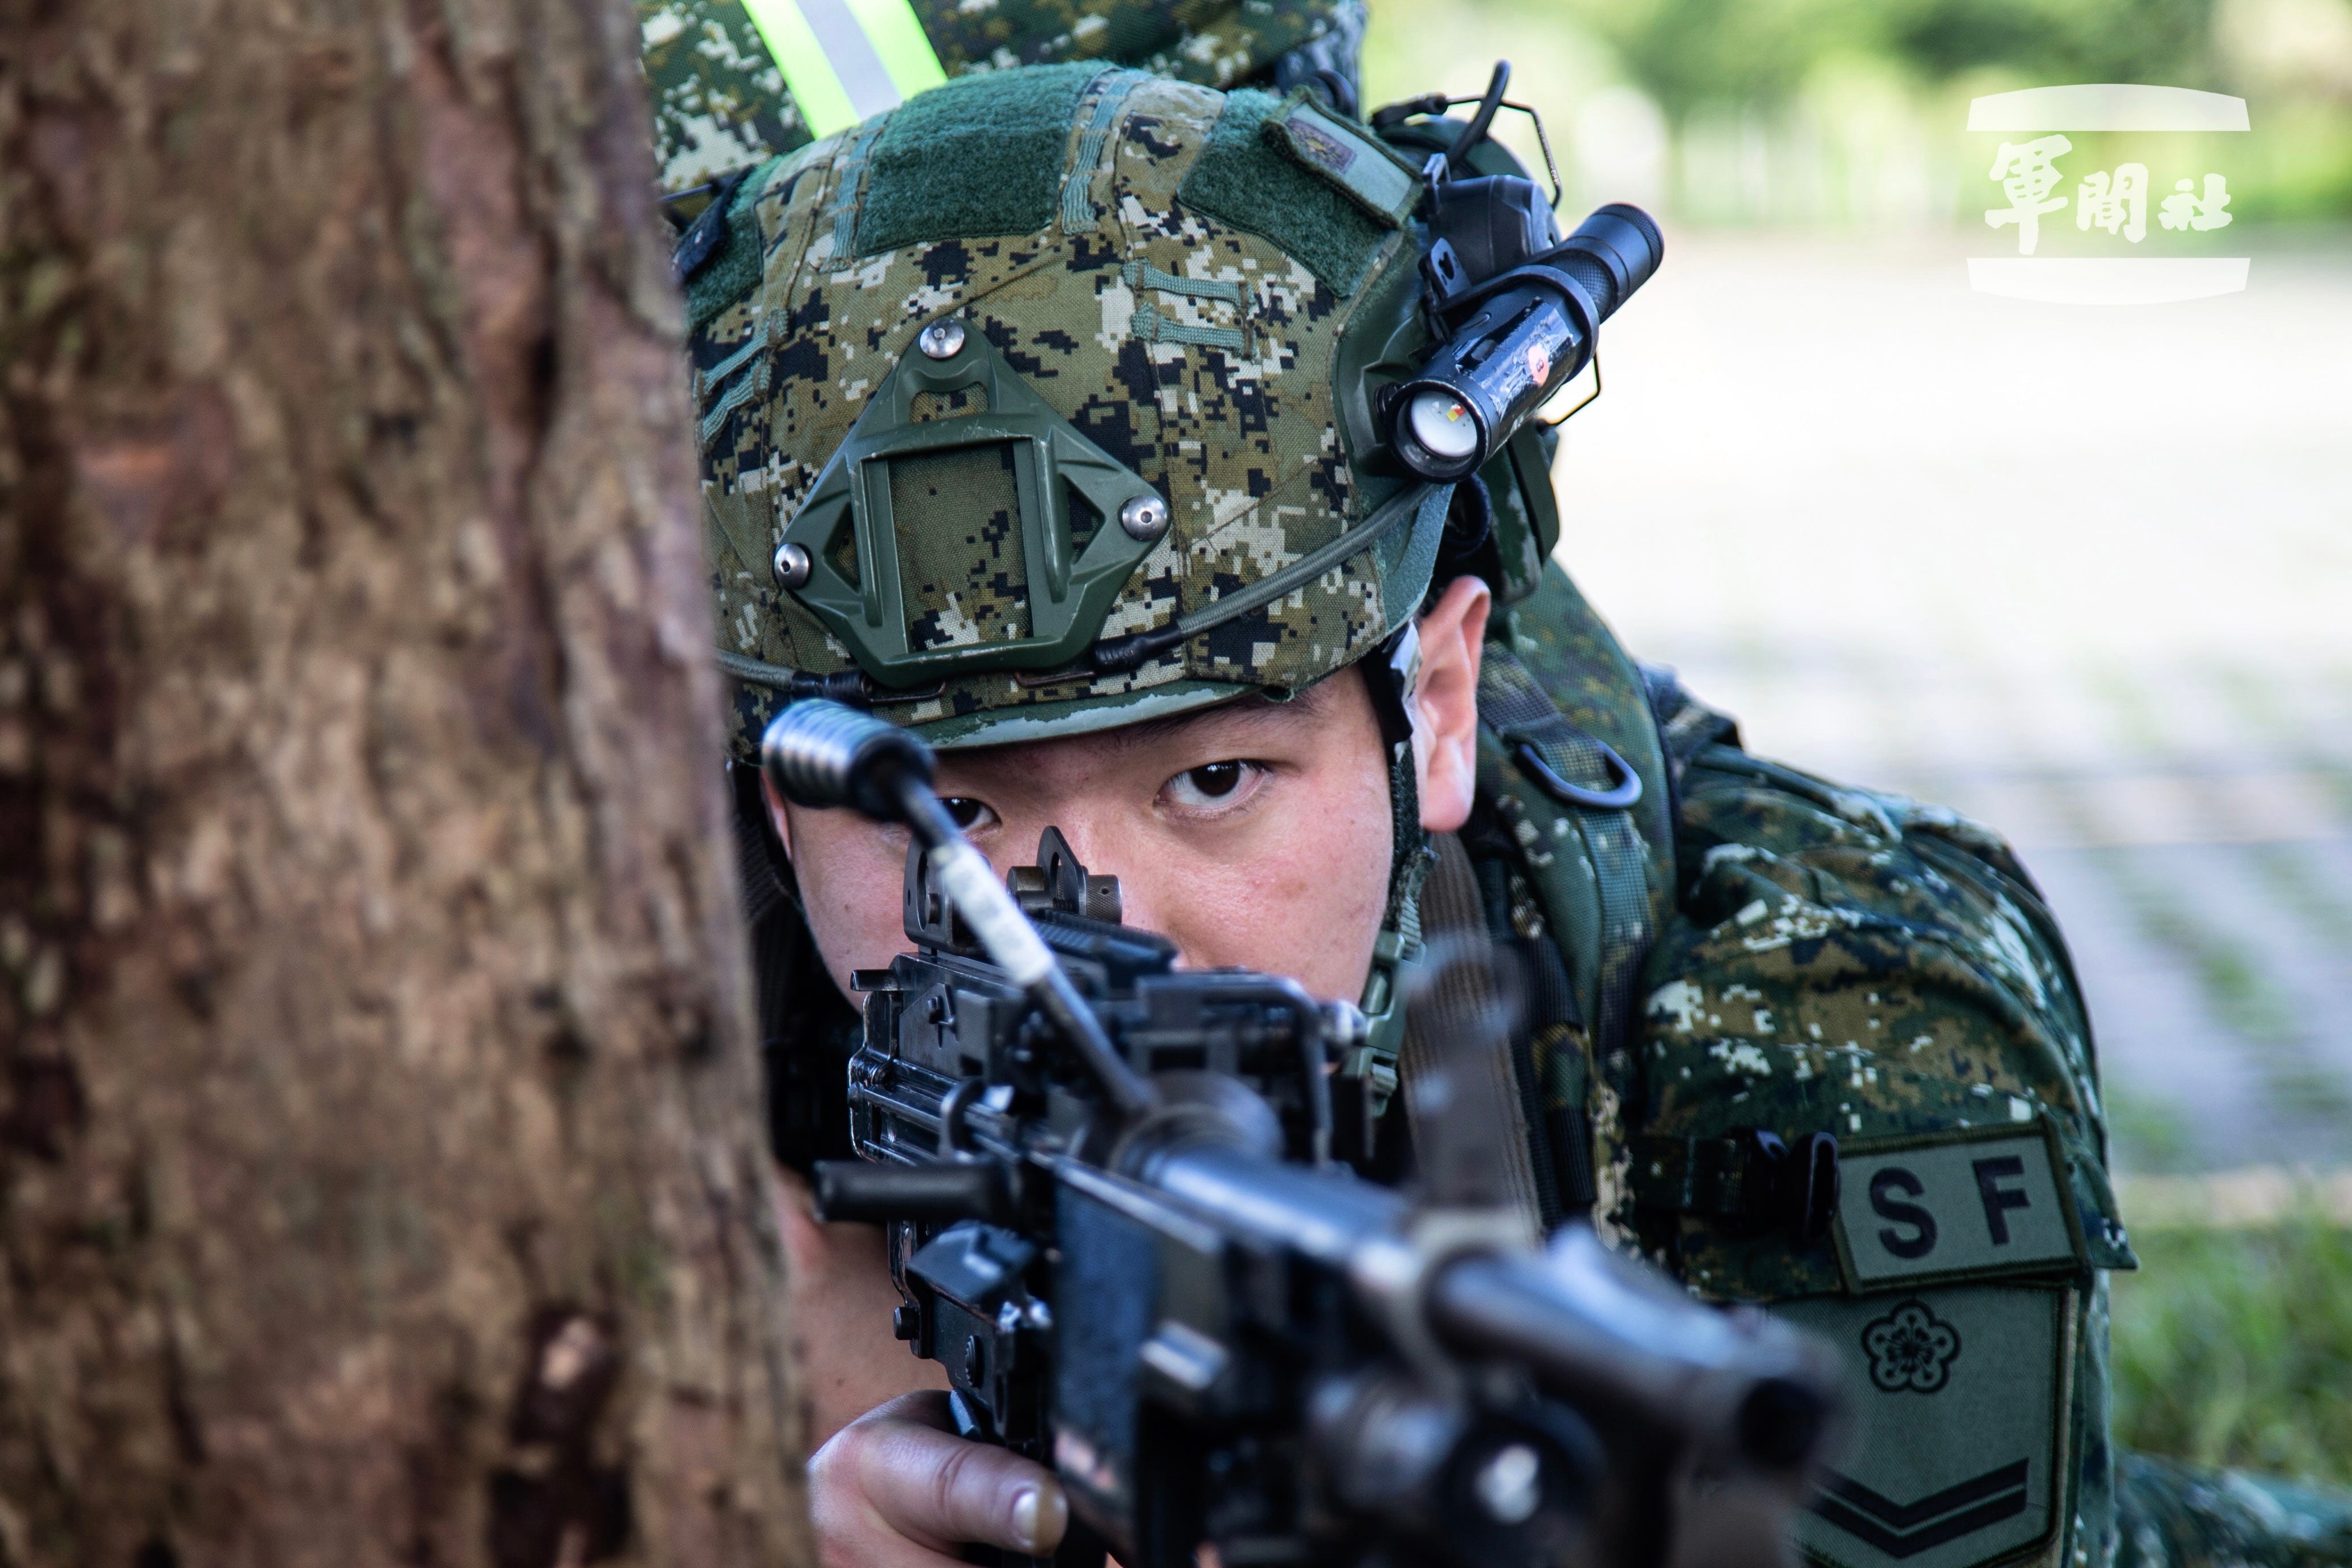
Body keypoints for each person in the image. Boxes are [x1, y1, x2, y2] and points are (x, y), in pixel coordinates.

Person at [677, 61, 2352, 1568]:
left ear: (1438, 702)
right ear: (779, 800)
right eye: (951, 810)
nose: (1080, 928)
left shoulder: (1823, 1013)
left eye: (1213, 781)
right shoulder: (632, 1050)